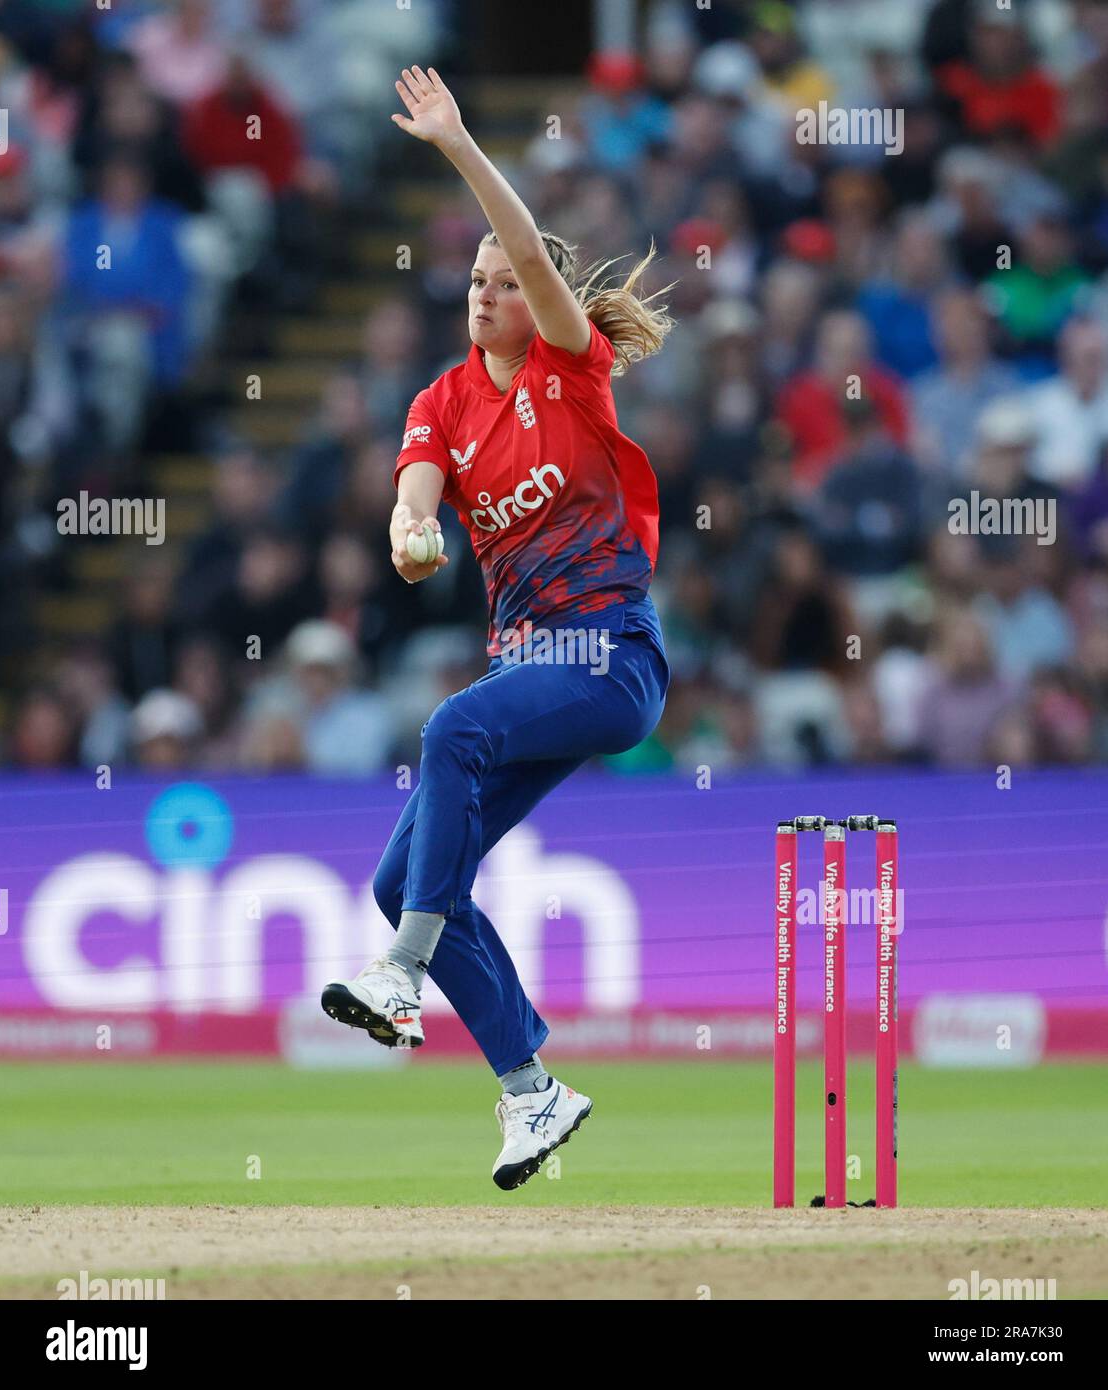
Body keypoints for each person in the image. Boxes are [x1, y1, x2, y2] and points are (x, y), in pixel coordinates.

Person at [322, 67, 673, 1190]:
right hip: (536, 669)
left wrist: (462, 148)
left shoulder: (574, 371)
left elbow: (526, 248)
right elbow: (414, 497)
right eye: (469, 283)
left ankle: (399, 979)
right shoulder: (441, 399)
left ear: (538, 298)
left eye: (499, 281)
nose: (482, 294)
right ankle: (533, 1090)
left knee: (453, 731)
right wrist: (412, 534)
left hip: (611, 655)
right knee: (405, 875)